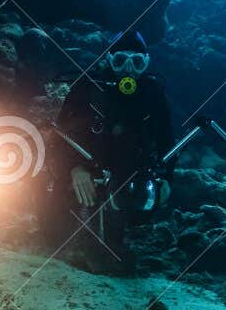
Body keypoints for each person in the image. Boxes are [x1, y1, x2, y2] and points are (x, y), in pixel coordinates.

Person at [50, 29, 175, 273]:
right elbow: (59, 137)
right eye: (120, 61)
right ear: (109, 60)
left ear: (146, 64)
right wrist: (74, 169)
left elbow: (166, 142)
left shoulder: (153, 96)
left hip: (127, 173)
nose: (128, 70)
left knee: (139, 208)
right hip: (85, 166)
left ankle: (115, 236)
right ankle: (64, 227)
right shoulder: (88, 89)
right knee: (54, 221)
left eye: (137, 63)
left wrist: (166, 179)